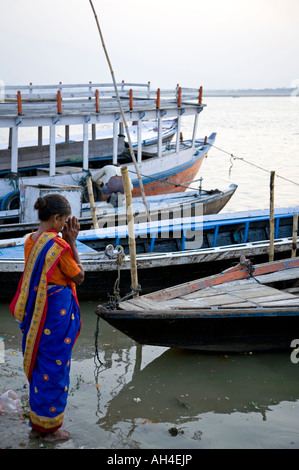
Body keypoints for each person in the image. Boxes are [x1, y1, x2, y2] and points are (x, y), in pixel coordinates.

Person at [9, 194, 84, 442]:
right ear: (55, 218)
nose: (65, 226)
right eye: (63, 221)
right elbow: (79, 277)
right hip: (55, 314)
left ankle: (37, 425)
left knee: (42, 364)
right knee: (55, 366)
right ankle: (50, 429)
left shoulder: (31, 241)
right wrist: (72, 241)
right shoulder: (59, 247)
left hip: (38, 313)